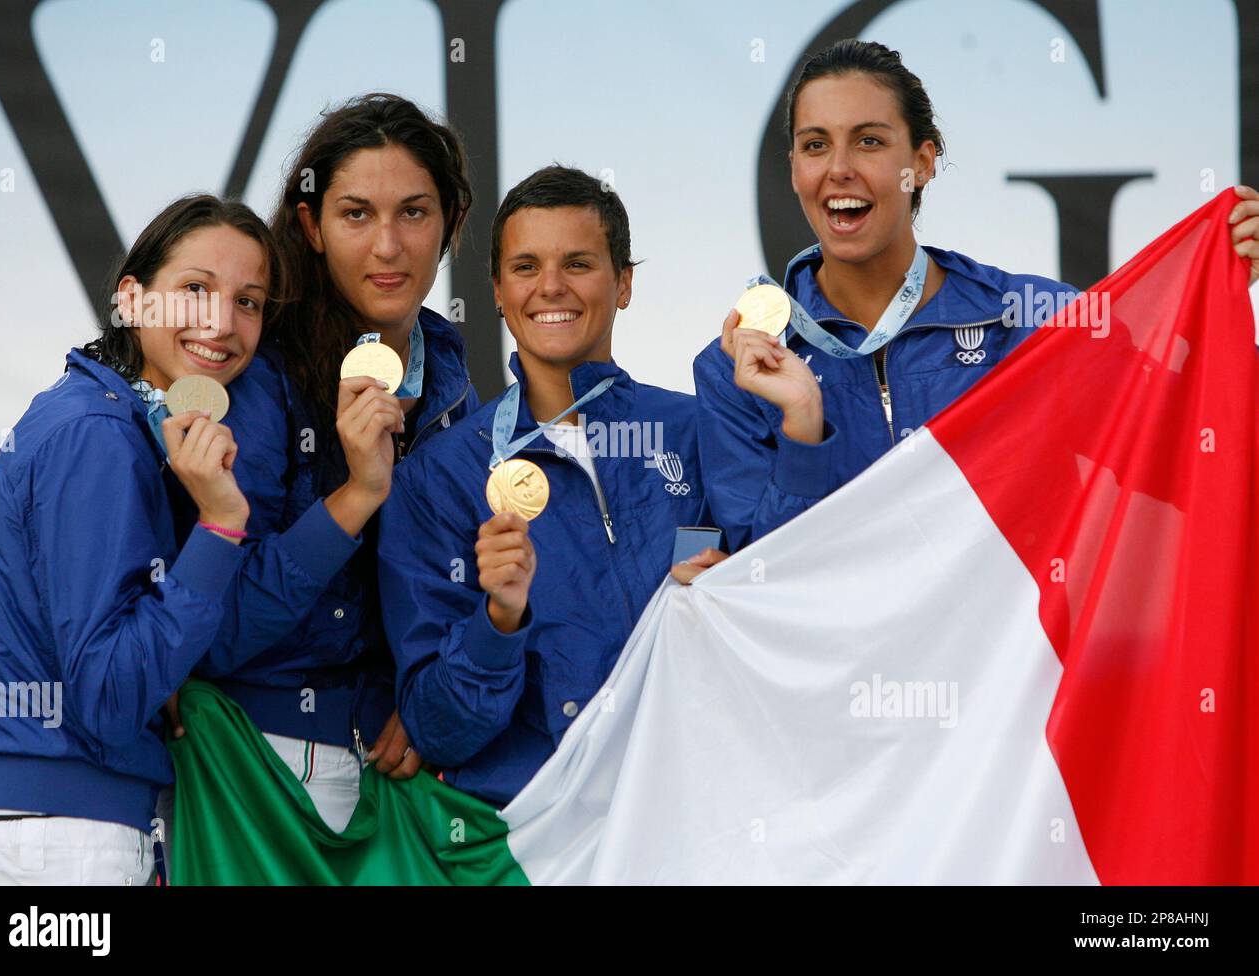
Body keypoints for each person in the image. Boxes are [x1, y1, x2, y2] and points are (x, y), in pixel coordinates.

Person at [680, 38, 1259, 577]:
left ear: (924, 162)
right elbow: (759, 593)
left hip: (1016, 683)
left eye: (870, 141)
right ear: (794, 170)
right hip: (831, 685)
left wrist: (1222, 300)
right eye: (815, 145)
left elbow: (1198, 440)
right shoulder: (736, 371)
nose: (838, 168)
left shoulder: (1035, 322)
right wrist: (803, 424)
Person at [0, 194, 279, 883]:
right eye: (196, 288)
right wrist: (222, 525)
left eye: (249, 301)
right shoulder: (98, 434)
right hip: (64, 844)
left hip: (50, 831)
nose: (222, 322)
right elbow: (108, 697)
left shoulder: (104, 420)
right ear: (132, 300)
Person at [187, 93, 479, 832]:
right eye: (356, 215)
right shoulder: (258, 375)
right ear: (311, 226)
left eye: (414, 212)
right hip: (253, 764)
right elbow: (216, 631)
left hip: (393, 776)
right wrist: (354, 496)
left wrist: (426, 698)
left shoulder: (450, 376)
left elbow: (465, 587)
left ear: (450, 223)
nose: (388, 246)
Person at [379, 165, 709, 807]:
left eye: (578, 263)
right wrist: (499, 620)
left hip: (688, 817)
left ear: (625, 285)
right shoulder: (439, 477)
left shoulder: (694, 433)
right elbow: (437, 729)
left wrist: (728, 584)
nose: (550, 286)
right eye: (526, 267)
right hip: (539, 838)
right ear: (498, 291)